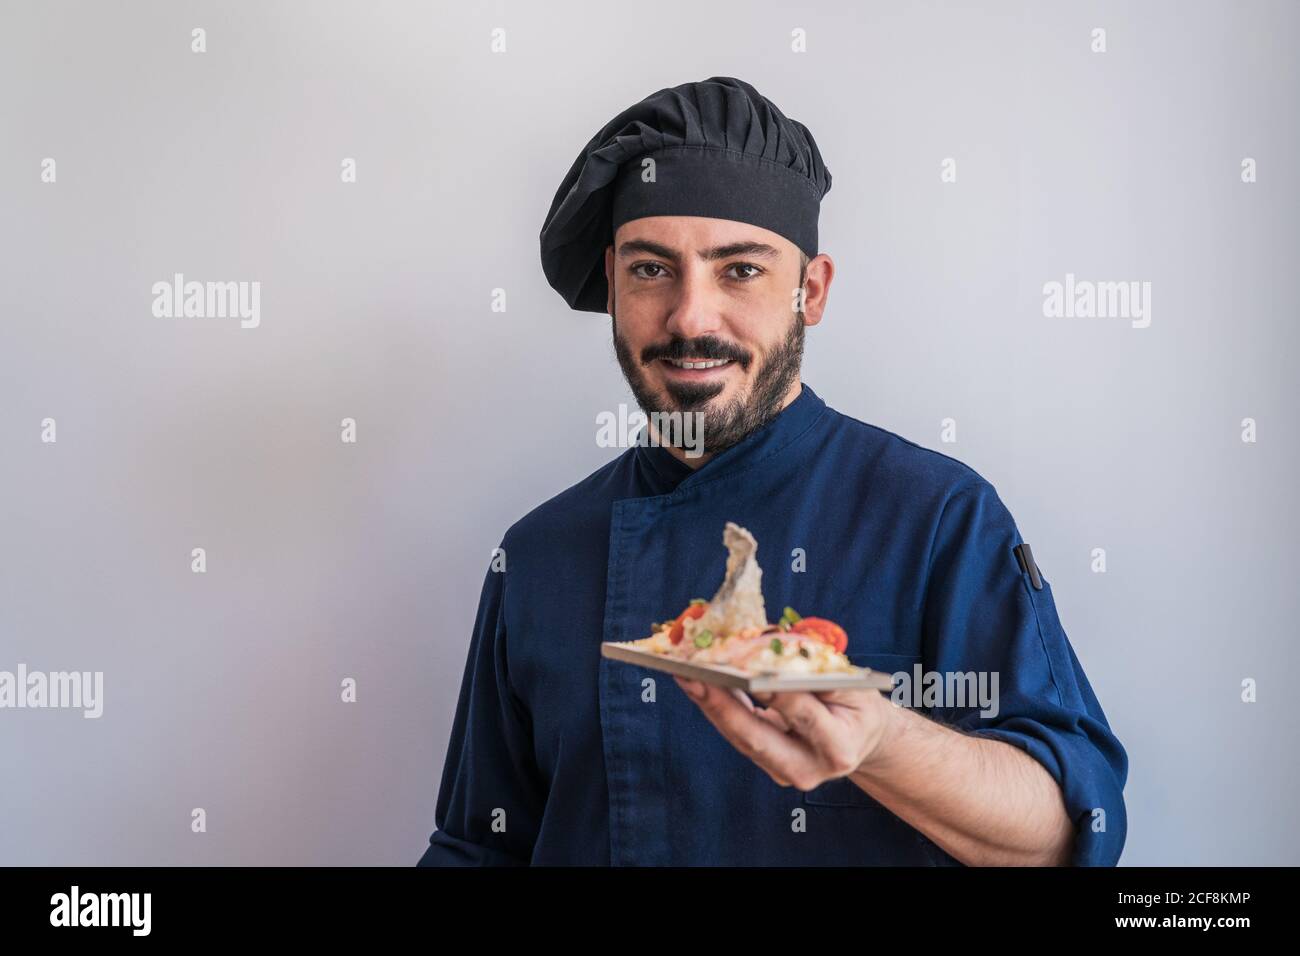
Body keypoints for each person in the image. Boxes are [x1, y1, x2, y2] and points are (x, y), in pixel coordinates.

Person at [417, 76, 1127, 866]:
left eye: (741, 270)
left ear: (810, 291)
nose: (691, 317)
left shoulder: (935, 517)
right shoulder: (540, 553)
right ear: (613, 282)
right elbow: (478, 848)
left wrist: (881, 734)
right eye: (652, 270)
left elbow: (1067, 831)